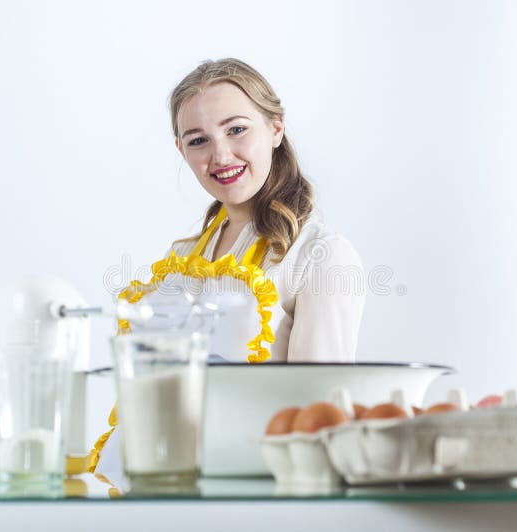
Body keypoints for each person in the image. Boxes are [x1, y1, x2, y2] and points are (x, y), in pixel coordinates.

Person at [89, 58, 365, 473]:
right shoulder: (182, 261)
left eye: (236, 130)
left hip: (244, 484)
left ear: (275, 128)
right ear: (181, 150)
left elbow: (319, 416)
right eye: (198, 140)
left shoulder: (321, 255)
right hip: (152, 482)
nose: (220, 155)